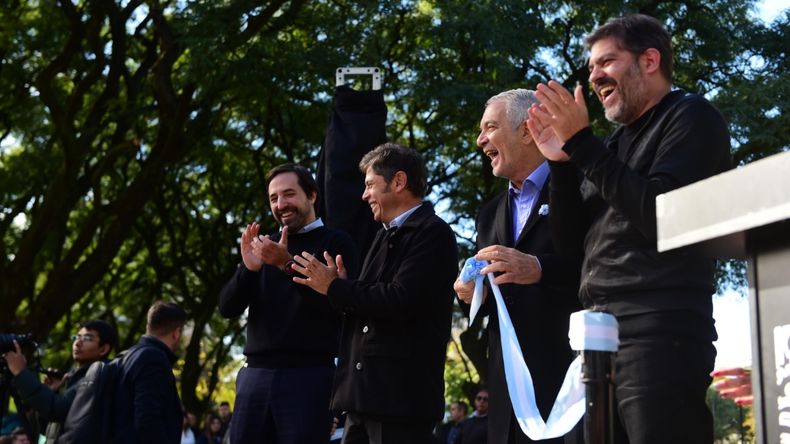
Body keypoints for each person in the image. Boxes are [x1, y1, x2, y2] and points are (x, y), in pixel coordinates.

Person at [526, 14, 732, 444]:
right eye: (592, 67)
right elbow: (570, 246)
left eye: (607, 62)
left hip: (659, 332)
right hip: (597, 336)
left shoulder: (692, 117)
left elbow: (662, 216)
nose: (595, 75)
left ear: (650, 60)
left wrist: (582, 144)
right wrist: (562, 166)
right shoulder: (612, 146)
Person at [292, 143, 459, 444]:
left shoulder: (434, 233)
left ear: (398, 181)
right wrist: (341, 286)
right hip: (361, 399)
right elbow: (367, 298)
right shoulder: (382, 236)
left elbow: (399, 299)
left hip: (400, 402)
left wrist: (336, 287)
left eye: (370, 185)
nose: (364, 195)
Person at [454, 89, 582, 444]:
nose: (480, 140)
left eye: (490, 128)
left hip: (567, 384)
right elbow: (495, 291)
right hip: (506, 394)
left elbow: (599, 269)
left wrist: (540, 268)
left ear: (527, 130)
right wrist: (469, 293)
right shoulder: (487, 214)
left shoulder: (580, 184)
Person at [219, 163, 359, 444]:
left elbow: (343, 308)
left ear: (312, 196)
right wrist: (249, 269)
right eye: (274, 198)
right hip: (254, 377)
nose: (281, 204)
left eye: (289, 194)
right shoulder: (263, 245)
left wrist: (285, 263)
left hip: (308, 377)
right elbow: (227, 308)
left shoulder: (337, 242)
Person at [4, 320, 117, 443]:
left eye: (87, 338)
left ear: (103, 349)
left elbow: (57, 410)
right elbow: (46, 431)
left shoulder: (98, 377)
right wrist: (52, 393)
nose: (78, 343)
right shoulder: (75, 378)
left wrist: (20, 373)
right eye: (77, 337)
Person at [111, 300, 187, 443]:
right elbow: (148, 418)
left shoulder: (127, 355)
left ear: (148, 326)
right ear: (177, 333)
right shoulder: (153, 358)